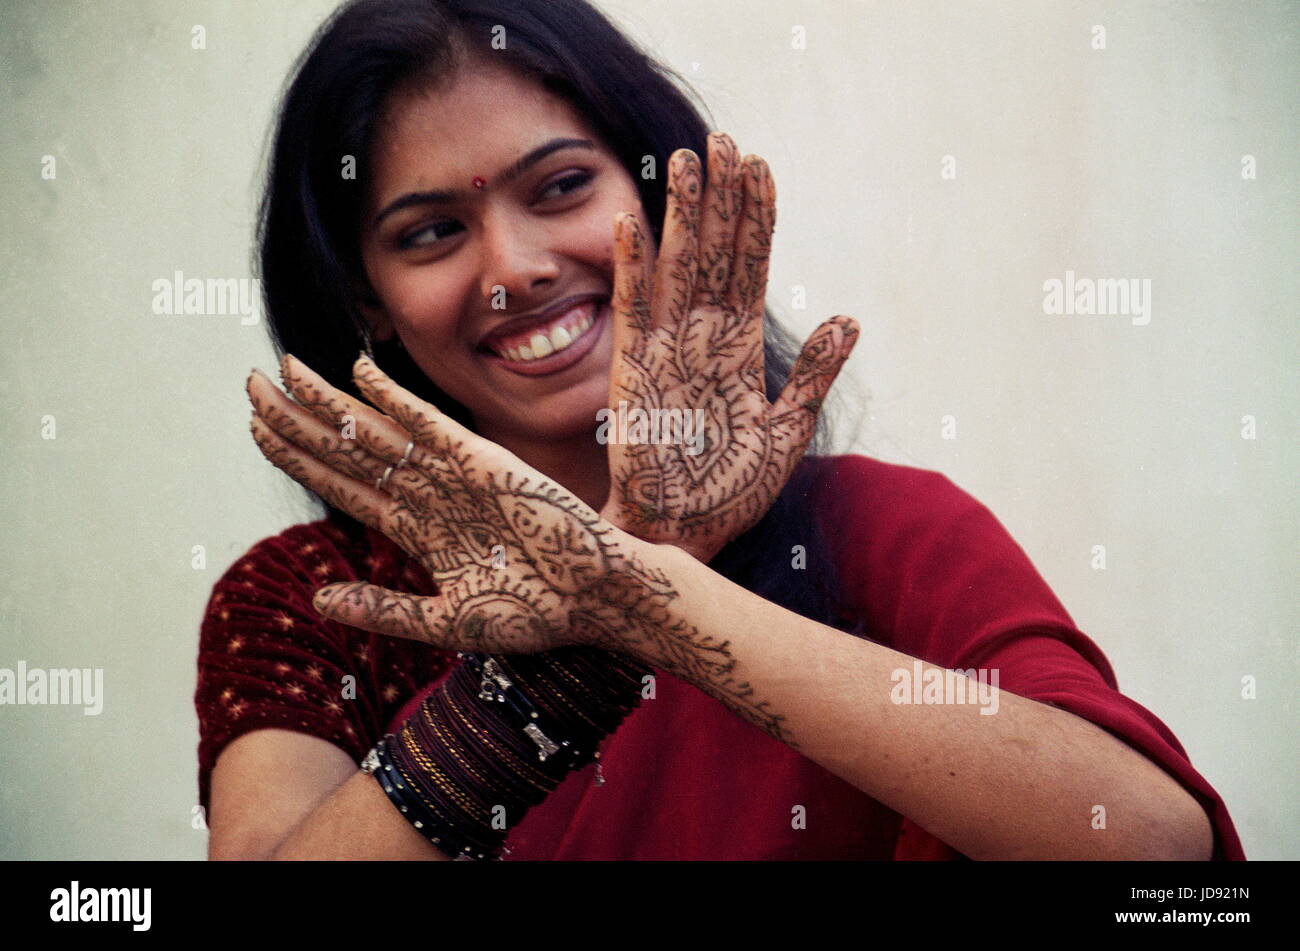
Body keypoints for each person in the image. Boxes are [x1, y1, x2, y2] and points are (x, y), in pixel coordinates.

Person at [197, 0, 1244, 860]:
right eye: (431, 233)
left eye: (561, 187)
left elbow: (1153, 852)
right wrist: (553, 675)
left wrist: (644, 590)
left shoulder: (876, 529)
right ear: (368, 301)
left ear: (661, 200)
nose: (512, 267)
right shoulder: (318, 602)